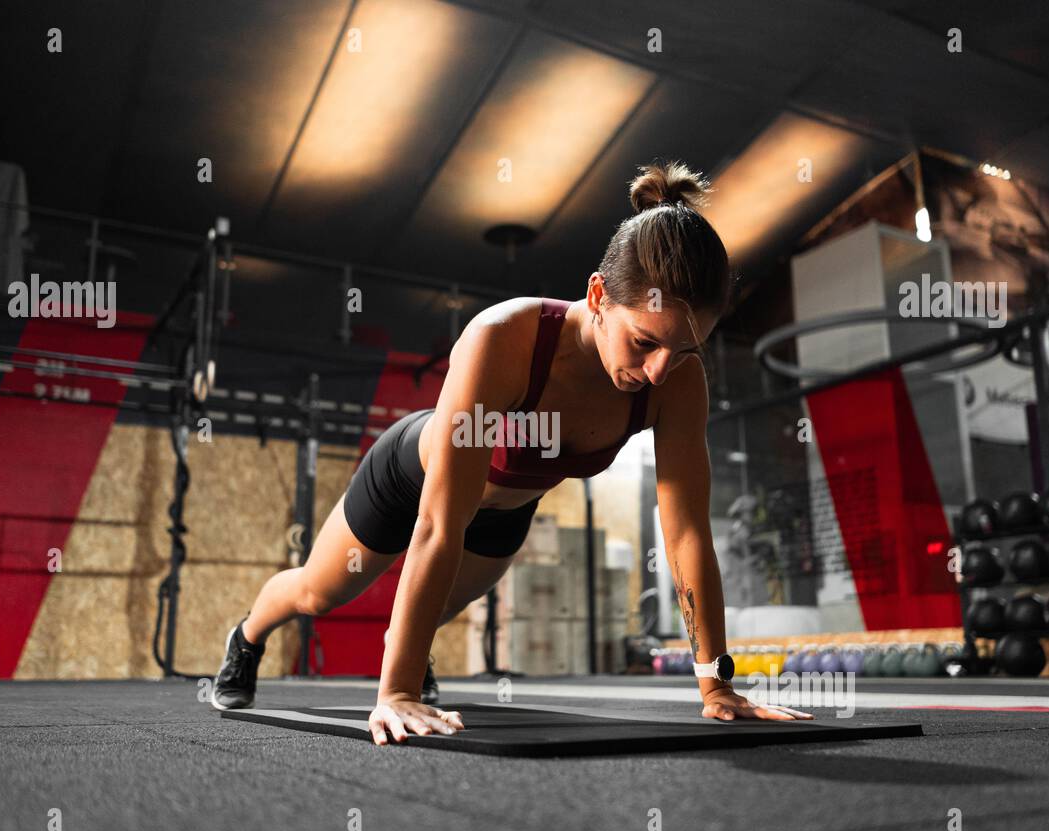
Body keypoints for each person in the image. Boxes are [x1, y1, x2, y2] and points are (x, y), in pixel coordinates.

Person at [212, 160, 811, 742]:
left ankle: (407, 647)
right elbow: (438, 524)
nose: (659, 371)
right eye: (644, 342)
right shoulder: (505, 338)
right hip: (412, 482)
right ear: (598, 297)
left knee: (436, 607)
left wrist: (715, 687)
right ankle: (248, 637)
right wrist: (395, 694)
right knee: (322, 592)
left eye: (685, 350)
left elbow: (685, 536)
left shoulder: (678, 380)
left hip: (505, 513)